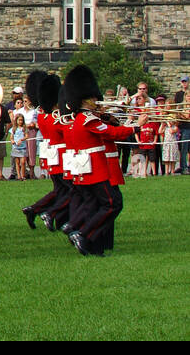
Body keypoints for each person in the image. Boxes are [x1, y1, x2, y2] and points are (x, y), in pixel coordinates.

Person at [63, 65, 145, 257]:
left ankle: (94, 246)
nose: (96, 100)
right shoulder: (87, 119)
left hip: (90, 168)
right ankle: (82, 234)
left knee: (99, 206)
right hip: (96, 169)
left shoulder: (85, 118)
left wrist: (108, 117)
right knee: (112, 203)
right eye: (92, 98)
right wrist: (136, 127)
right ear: (84, 99)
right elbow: (111, 133)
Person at [23, 72, 69, 231]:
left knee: (61, 190)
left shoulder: (43, 115)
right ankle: (50, 213)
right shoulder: (54, 117)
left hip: (52, 155)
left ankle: (36, 210)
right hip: (62, 156)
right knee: (71, 190)